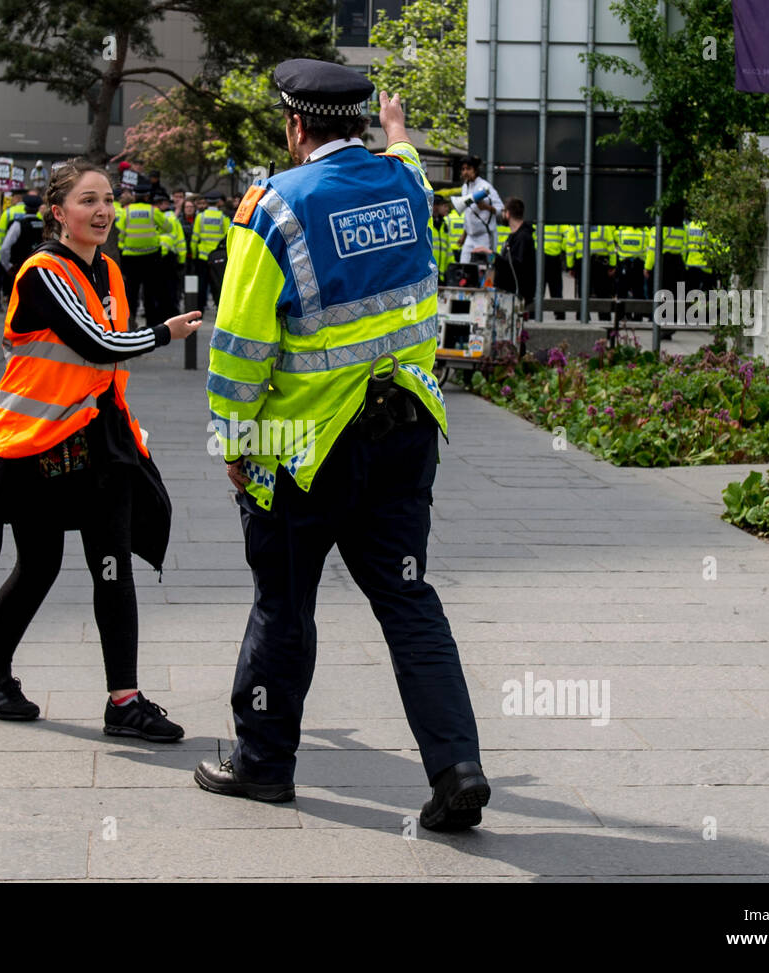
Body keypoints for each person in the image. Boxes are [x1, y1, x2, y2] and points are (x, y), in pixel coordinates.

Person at [195, 59, 490, 831]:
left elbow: (240, 348)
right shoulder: (406, 186)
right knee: (408, 598)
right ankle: (457, 765)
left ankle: (262, 765)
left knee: (283, 603)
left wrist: (231, 437)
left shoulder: (275, 208)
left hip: (306, 449)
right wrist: (397, 131)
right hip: (406, 435)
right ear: (359, 122)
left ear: (295, 126)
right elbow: (406, 167)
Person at [0, 157, 203, 737]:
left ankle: (124, 701)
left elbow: (105, 356)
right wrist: (165, 333)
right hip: (37, 443)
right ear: (58, 213)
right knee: (39, 566)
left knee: (112, 563)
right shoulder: (44, 271)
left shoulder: (113, 273)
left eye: (107, 200)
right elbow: (100, 344)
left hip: (100, 442)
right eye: (87, 201)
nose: (102, 211)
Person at [115, 180, 167, 324]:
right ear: (147, 196)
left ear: (134, 195)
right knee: (150, 292)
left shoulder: (126, 211)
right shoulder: (153, 211)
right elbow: (167, 228)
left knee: (131, 293)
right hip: (151, 257)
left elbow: (120, 232)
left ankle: (130, 323)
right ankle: (151, 324)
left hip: (130, 258)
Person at [457, 155, 502, 266]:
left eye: (468, 169)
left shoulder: (485, 186)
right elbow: (469, 214)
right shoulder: (465, 187)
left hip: (485, 236)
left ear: (475, 170)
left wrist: (486, 207)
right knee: (464, 267)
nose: (465, 172)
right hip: (470, 237)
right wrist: (464, 235)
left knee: (485, 268)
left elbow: (501, 210)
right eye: (463, 169)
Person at [488, 197, 536, 300]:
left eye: (503, 211)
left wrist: (490, 255)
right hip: (510, 292)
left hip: (516, 293)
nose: (502, 215)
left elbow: (513, 266)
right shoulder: (515, 236)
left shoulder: (522, 237)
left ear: (508, 214)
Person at [190, 192, 228, 309]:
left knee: (201, 286)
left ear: (206, 203)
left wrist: (194, 254)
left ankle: (199, 310)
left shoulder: (200, 217)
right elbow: (227, 238)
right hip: (218, 258)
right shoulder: (223, 217)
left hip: (202, 257)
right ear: (218, 203)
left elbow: (195, 239)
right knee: (218, 285)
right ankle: (219, 309)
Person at [154, 189, 186, 318]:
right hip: (171, 258)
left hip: (157, 256)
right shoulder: (172, 218)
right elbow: (180, 241)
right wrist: (182, 260)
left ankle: (160, 313)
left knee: (158, 289)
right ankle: (171, 313)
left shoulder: (153, 216)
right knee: (171, 289)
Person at [0, 193, 45, 280]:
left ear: (25, 208)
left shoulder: (18, 224)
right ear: (38, 209)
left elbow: (5, 247)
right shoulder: (43, 224)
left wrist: (8, 266)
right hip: (39, 268)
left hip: (21, 267)